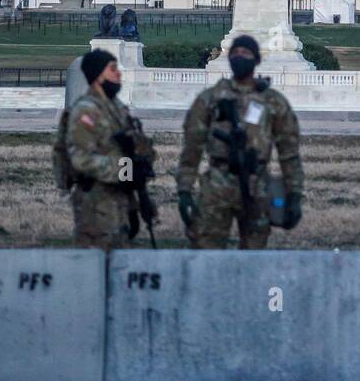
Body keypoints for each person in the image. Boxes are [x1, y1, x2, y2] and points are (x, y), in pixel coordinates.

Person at [175, 34, 303, 249]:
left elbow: (289, 152)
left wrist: (294, 193)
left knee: (254, 251)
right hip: (218, 183)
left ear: (256, 59)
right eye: (235, 53)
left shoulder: (273, 102)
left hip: (257, 184)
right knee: (205, 248)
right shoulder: (211, 98)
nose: (240, 57)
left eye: (246, 53)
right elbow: (192, 148)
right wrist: (184, 190)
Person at [60, 48, 157, 250]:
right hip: (96, 202)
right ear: (97, 76)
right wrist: (126, 171)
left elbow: (133, 147)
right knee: (95, 260)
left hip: (121, 199)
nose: (119, 74)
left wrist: (141, 163)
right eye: (112, 69)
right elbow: (81, 159)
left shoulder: (117, 108)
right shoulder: (85, 111)